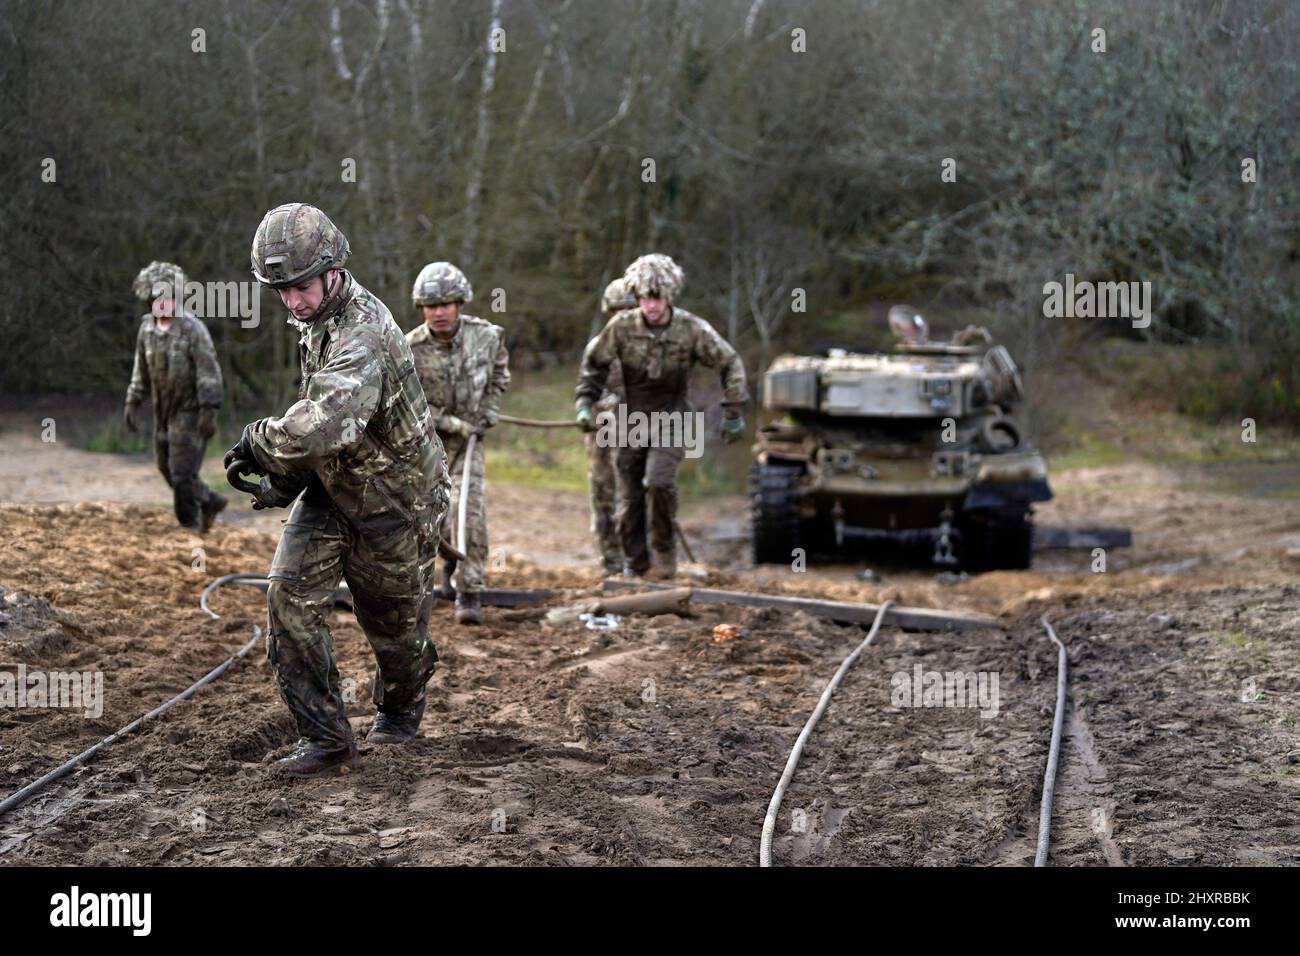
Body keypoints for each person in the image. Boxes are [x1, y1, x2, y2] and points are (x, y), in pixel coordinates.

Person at [224, 203, 449, 777]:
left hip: (398, 503)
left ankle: (401, 707)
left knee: (396, 636)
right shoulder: (317, 320)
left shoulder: (364, 330)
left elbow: (325, 422)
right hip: (335, 493)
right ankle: (326, 738)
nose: (292, 300)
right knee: (287, 597)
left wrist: (260, 440)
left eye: (300, 286)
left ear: (332, 270)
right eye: (281, 290)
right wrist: (286, 478)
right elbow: (330, 432)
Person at [575, 254, 748, 579]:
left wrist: (733, 410)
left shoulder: (691, 329)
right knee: (629, 498)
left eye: (656, 297)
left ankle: (665, 552)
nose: (650, 305)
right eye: (643, 298)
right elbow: (594, 363)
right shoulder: (622, 328)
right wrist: (585, 401)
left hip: (673, 418)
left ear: (669, 295)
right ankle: (636, 564)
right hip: (629, 418)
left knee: (658, 482)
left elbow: (729, 362)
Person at [406, 262, 511, 625]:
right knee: (430, 516)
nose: (438, 312)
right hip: (424, 446)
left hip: (471, 444)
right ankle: (440, 567)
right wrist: (452, 422)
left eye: (446, 304)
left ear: (460, 303)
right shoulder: (408, 348)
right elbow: (408, 402)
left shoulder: (488, 336)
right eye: (430, 305)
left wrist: (491, 408)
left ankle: (469, 592)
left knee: (471, 512)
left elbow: (500, 372)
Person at [123, 260, 227, 533]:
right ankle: (210, 500)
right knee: (165, 468)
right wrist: (132, 401)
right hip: (163, 412)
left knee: (182, 474)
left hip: (190, 412)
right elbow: (141, 369)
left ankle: (188, 525)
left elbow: (209, 372)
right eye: (156, 299)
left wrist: (209, 410)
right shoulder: (147, 330)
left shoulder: (192, 329)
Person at [583, 277, 635, 575]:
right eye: (618, 310)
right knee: (603, 496)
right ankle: (611, 561)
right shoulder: (598, 348)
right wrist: (588, 412)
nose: (624, 317)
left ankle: (637, 560)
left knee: (635, 497)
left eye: (630, 310)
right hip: (602, 436)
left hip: (638, 435)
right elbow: (586, 389)